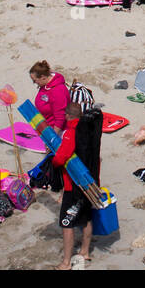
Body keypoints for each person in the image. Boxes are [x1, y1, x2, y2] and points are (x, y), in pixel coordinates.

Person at [53, 101, 102, 269]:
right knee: (86, 217)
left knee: (67, 223)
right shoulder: (87, 129)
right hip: (88, 183)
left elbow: (61, 157)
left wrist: (52, 161)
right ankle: (85, 251)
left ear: (68, 116)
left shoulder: (71, 132)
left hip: (72, 185)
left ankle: (66, 262)